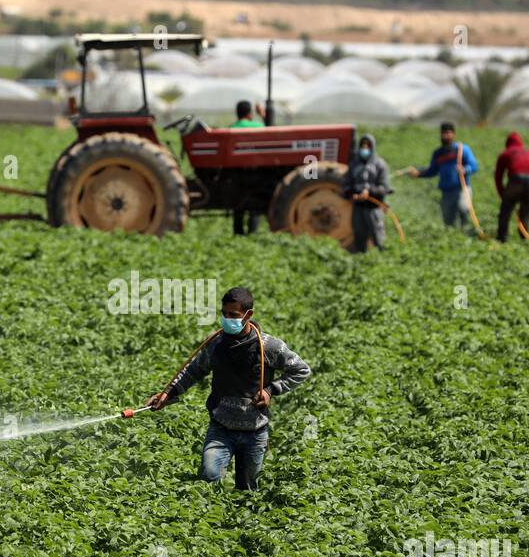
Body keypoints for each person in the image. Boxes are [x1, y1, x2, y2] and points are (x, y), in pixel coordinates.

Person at [146, 287, 310, 491]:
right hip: (221, 427)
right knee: (209, 476)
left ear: (248, 315)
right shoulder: (216, 344)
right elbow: (193, 371)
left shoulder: (268, 346)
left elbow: (301, 370)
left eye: (233, 315)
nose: (227, 319)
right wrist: (168, 393)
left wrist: (271, 390)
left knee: (248, 489)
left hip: (255, 430)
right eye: (224, 314)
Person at [402, 122, 479, 232]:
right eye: (444, 133)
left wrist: (465, 169)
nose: (446, 136)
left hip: (462, 188)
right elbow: (432, 170)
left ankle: (465, 229)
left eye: (449, 133)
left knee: (463, 208)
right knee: (448, 222)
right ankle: (453, 239)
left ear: (454, 134)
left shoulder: (462, 150)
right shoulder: (438, 154)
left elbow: (474, 166)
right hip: (446, 192)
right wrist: (418, 173)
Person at [344, 133, 393, 253]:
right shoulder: (354, 165)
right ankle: (361, 258)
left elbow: (384, 187)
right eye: (362, 147)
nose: (364, 150)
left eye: (367, 147)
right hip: (358, 207)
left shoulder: (379, 165)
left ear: (372, 148)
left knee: (378, 234)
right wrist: (352, 194)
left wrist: (370, 191)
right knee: (359, 234)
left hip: (373, 207)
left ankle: (383, 256)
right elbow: (347, 184)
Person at [493, 131, 529, 242]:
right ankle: (524, 237)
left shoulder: (505, 153)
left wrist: (502, 194)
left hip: (516, 181)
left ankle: (502, 238)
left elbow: (498, 176)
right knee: (526, 211)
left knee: (505, 210)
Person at [230, 101, 266, 233]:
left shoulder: (232, 128)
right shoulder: (258, 126)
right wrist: (263, 115)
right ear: (250, 114)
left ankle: (238, 232)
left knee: (238, 205)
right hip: (256, 171)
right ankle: (253, 231)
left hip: (235, 173)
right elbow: (271, 131)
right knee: (254, 204)